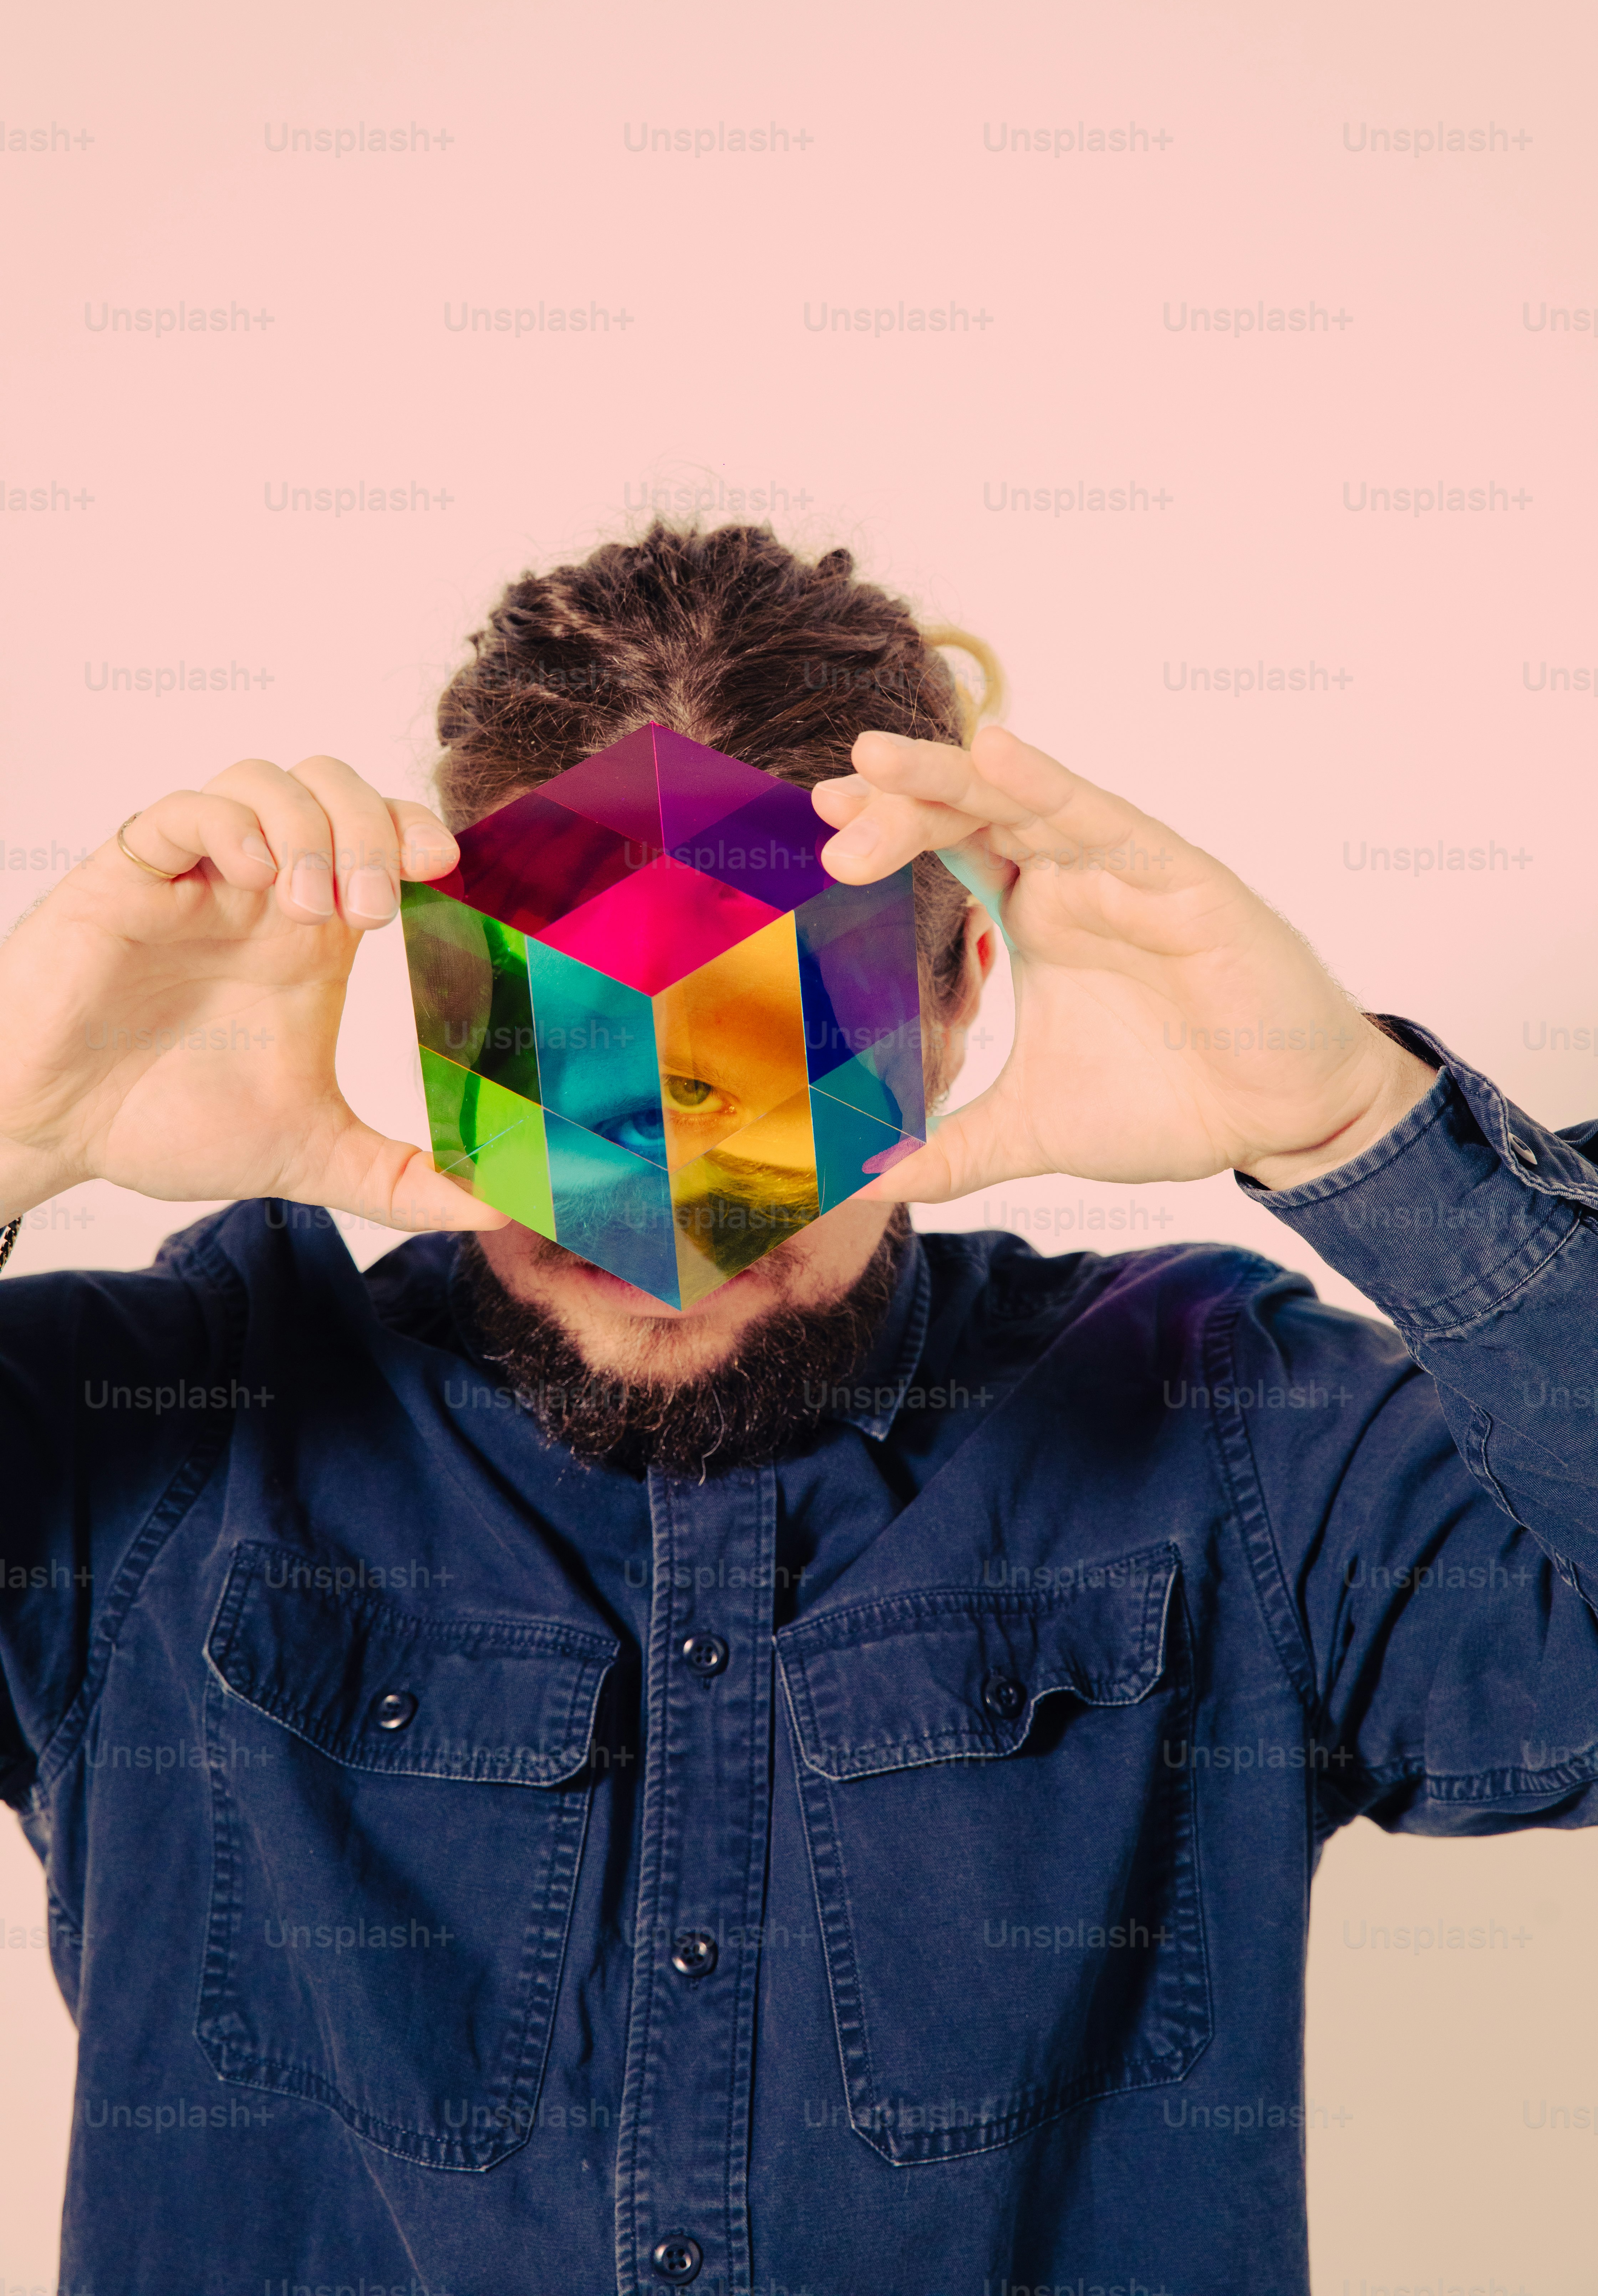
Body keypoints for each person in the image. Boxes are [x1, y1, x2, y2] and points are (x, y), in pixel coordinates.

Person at [0, 520, 1592, 2296]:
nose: (662, 1217)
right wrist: (11, 1128)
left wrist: (1353, 1136)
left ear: (955, 998)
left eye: (762, 1058)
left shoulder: (1233, 1437)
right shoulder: (145, 1437)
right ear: (445, 998)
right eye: (574, 1054)